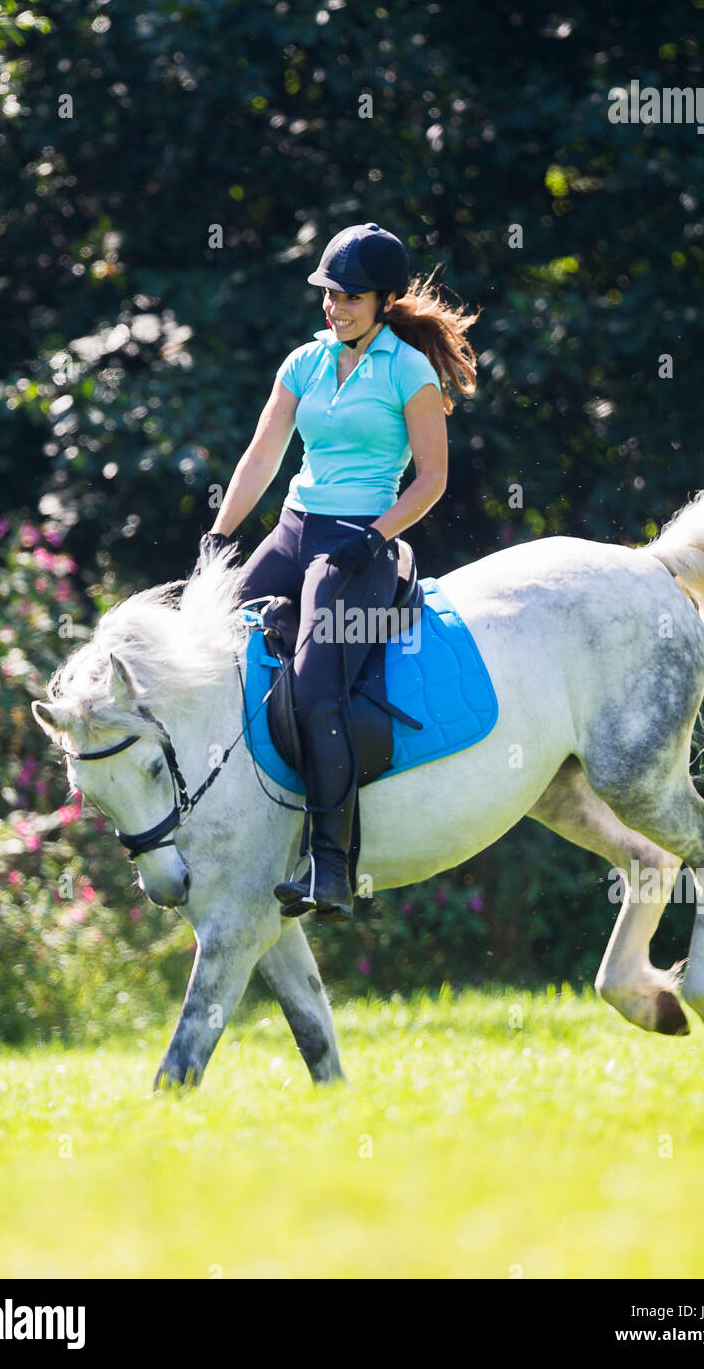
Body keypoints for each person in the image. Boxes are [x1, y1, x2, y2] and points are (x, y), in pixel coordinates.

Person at [199, 222, 479, 921]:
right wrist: (220, 536)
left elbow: (433, 481)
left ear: (385, 300)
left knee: (317, 687)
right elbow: (262, 458)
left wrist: (376, 537)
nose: (334, 305)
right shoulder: (304, 363)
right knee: (202, 637)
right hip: (296, 531)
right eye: (328, 292)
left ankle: (330, 865)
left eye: (349, 295)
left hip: (359, 544)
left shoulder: (407, 371)